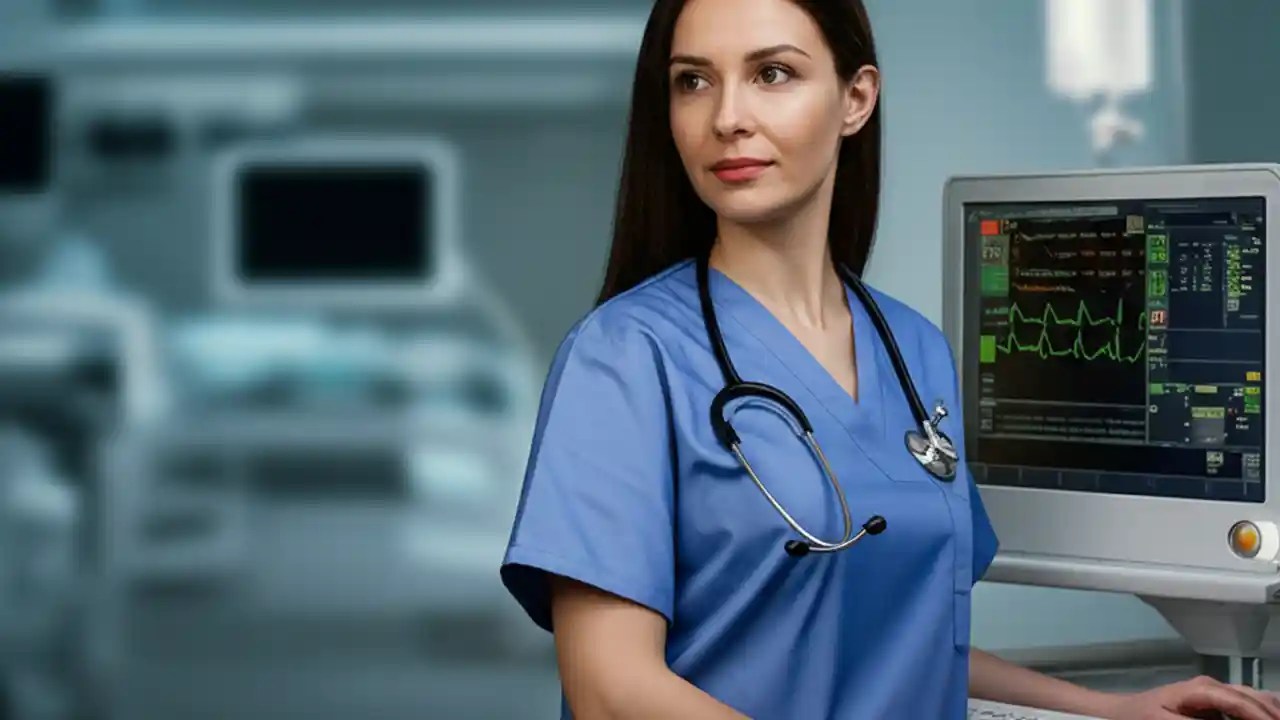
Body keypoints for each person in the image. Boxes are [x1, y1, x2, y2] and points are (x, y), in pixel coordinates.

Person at [499, 0, 1280, 717]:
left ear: (855, 99)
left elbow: (910, 644)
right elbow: (608, 688)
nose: (727, 117)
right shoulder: (625, 358)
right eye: (693, 81)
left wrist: (1111, 708)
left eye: (772, 74)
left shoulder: (914, 352)